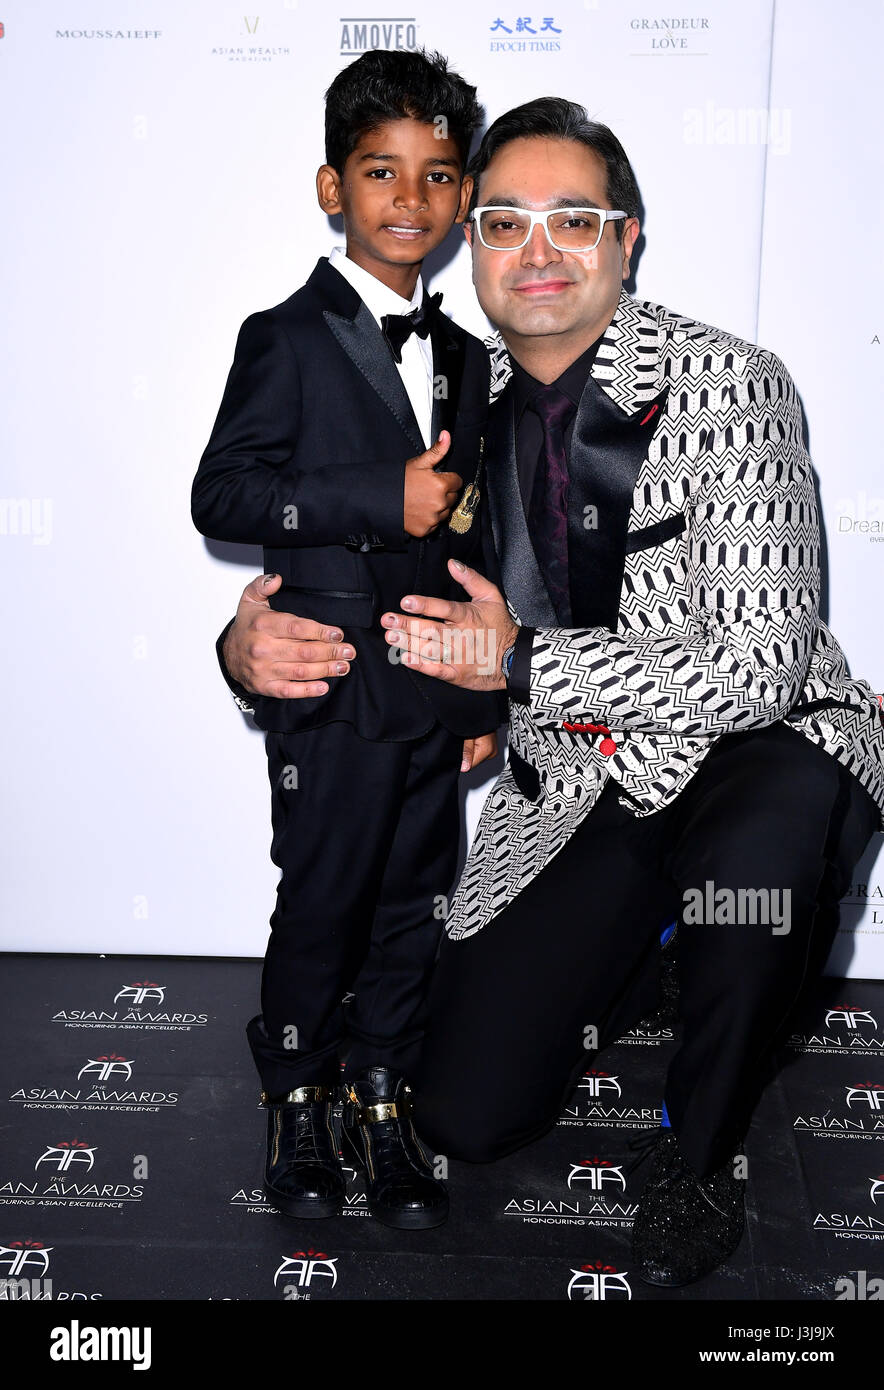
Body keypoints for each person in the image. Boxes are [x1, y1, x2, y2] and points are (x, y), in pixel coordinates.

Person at [217, 98, 884, 1286]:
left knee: (755, 863)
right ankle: (649, 950)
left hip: (757, 750)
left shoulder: (726, 382)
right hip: (579, 775)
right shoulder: (454, 401)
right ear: (467, 245)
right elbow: (368, 561)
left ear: (626, 239)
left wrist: (517, 663)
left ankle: (700, 1145)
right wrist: (244, 646)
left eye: (572, 219)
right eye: (502, 221)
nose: (535, 250)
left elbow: (759, 664)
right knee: (464, 1113)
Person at [191, 48, 503, 1230]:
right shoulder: (283, 336)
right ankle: (296, 1093)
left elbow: (481, 548)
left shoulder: (471, 363)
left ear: (461, 195)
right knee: (321, 897)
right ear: (333, 188)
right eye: (381, 173)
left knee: (412, 898)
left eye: (434, 177)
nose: (408, 202)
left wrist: (480, 706)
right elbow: (222, 497)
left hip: (429, 689)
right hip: (321, 684)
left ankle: (381, 1089)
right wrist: (377, 497)